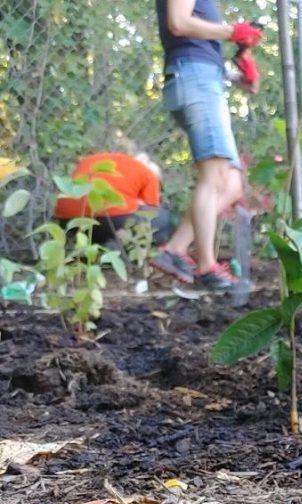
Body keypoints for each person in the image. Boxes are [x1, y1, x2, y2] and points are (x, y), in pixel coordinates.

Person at [149, 0, 262, 289]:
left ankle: (175, 250)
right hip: (195, 78)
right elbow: (178, 22)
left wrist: (238, 76)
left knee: (231, 182)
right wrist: (231, 32)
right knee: (213, 176)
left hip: (205, 78)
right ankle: (206, 267)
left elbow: (195, 43)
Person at [53, 152, 174, 246]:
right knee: (162, 215)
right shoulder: (150, 174)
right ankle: (131, 249)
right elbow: (151, 208)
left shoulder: (108, 160)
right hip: (108, 219)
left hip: (67, 220)